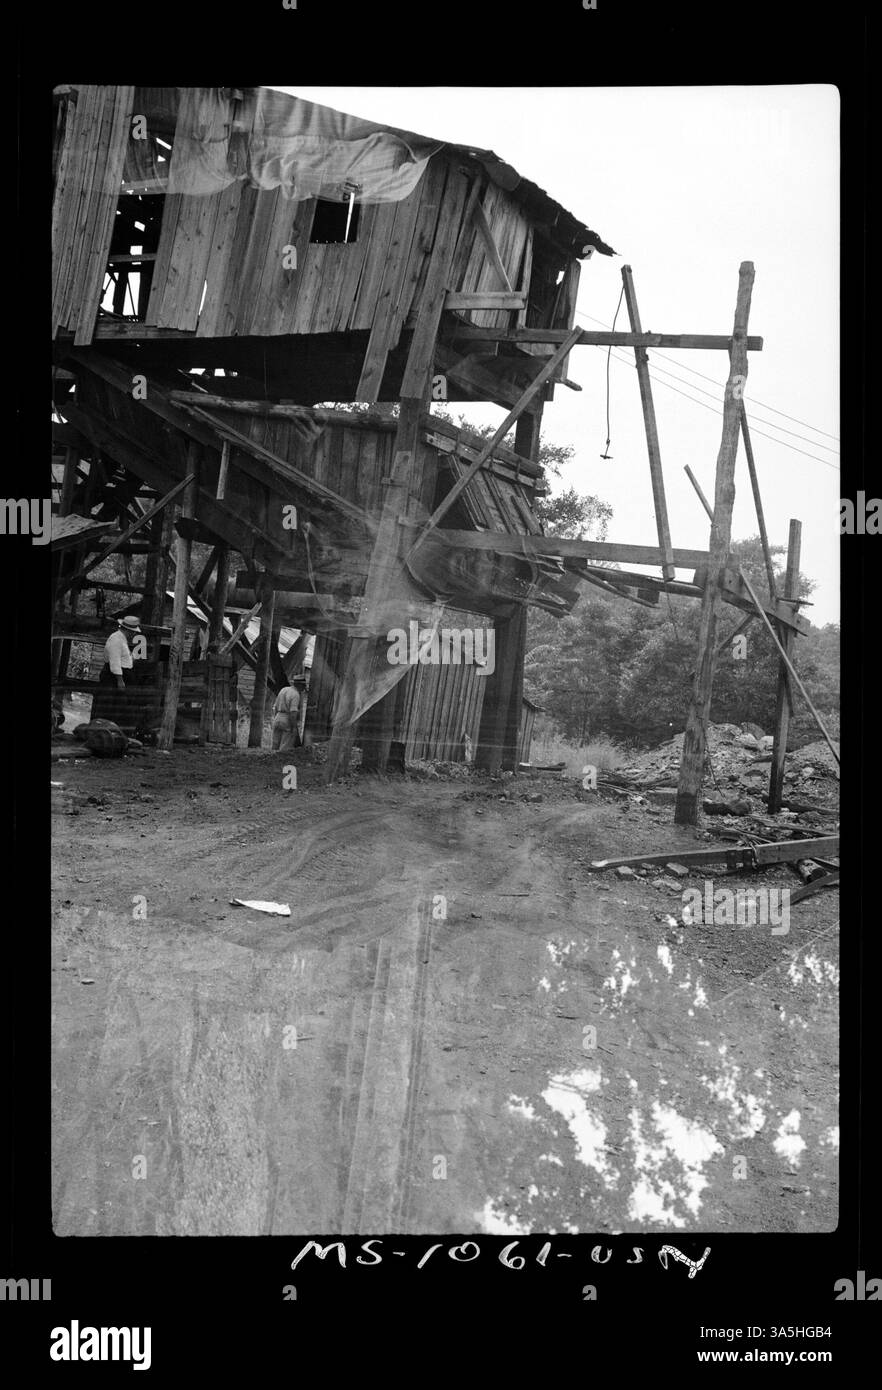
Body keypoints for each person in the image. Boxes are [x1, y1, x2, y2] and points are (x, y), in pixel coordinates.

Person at [100, 615, 141, 689]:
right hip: (113, 677)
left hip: (122, 674)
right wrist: (120, 681)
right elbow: (115, 661)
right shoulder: (116, 639)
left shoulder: (122, 639)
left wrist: (131, 658)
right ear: (129, 631)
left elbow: (122, 657)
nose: (134, 634)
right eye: (134, 632)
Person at [271, 676, 305, 752]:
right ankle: (281, 762)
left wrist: (276, 718)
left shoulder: (284, 690)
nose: (304, 687)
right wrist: (294, 727)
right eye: (303, 685)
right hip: (287, 719)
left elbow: (275, 706)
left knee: (275, 745)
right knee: (285, 746)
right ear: (299, 685)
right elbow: (293, 712)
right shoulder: (295, 694)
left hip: (278, 716)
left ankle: (272, 760)